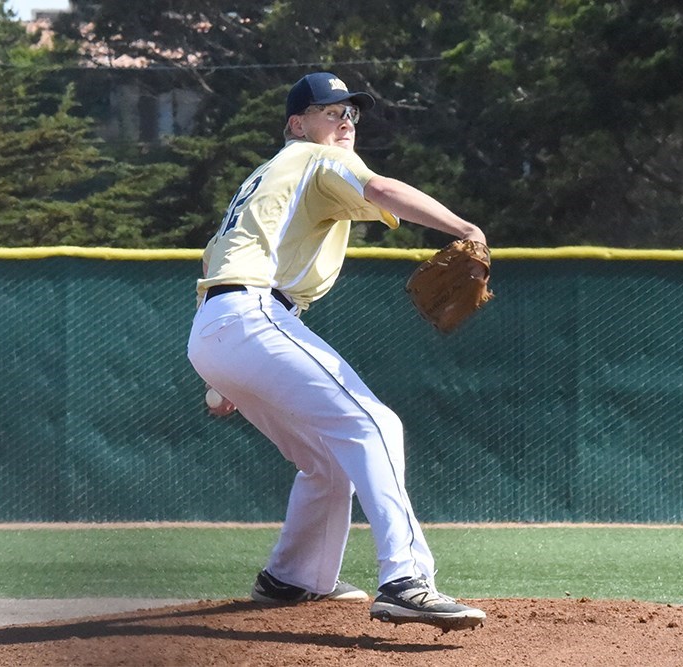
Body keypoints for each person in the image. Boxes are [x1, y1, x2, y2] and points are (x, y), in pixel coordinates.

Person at [186, 72, 486, 631]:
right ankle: (405, 579)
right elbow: (383, 190)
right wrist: (463, 225)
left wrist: (225, 371)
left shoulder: (268, 177)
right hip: (253, 315)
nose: (345, 121)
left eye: (351, 112)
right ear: (297, 124)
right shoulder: (313, 157)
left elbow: (214, 260)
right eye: (330, 111)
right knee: (375, 424)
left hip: (218, 325)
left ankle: (293, 577)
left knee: (325, 462)